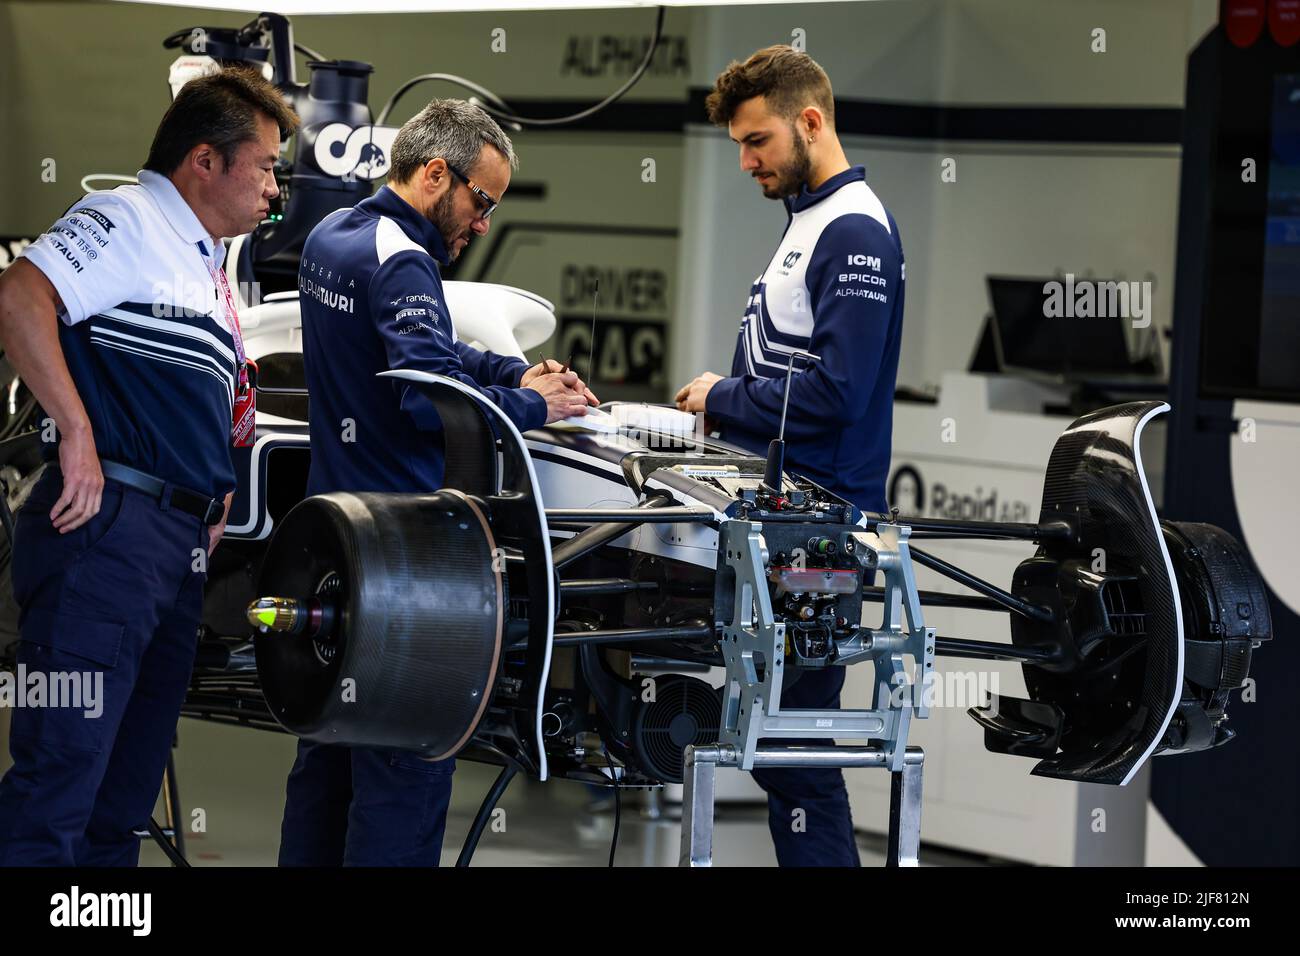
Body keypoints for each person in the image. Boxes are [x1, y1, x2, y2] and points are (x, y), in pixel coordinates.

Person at [278, 98, 594, 866]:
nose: (482, 223)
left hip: (331, 546)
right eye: (480, 201)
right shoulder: (403, 259)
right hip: (405, 570)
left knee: (325, 767)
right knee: (403, 781)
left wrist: (516, 370)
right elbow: (425, 396)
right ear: (432, 174)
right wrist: (533, 406)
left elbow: (434, 352)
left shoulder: (334, 236)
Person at [0, 67, 298, 865]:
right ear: (205, 160)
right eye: (266, 165)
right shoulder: (124, 217)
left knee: (121, 806)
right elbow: (19, 297)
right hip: (104, 535)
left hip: (169, 552)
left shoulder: (202, 261)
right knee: (57, 784)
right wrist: (75, 432)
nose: (276, 188)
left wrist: (213, 497)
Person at [675, 45, 907, 867]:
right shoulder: (811, 224)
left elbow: (838, 396)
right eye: (739, 145)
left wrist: (721, 397)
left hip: (825, 542)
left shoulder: (856, 231)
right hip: (784, 526)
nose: (747, 162)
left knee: (798, 755)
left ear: (810, 121)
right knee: (781, 750)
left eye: (758, 141)